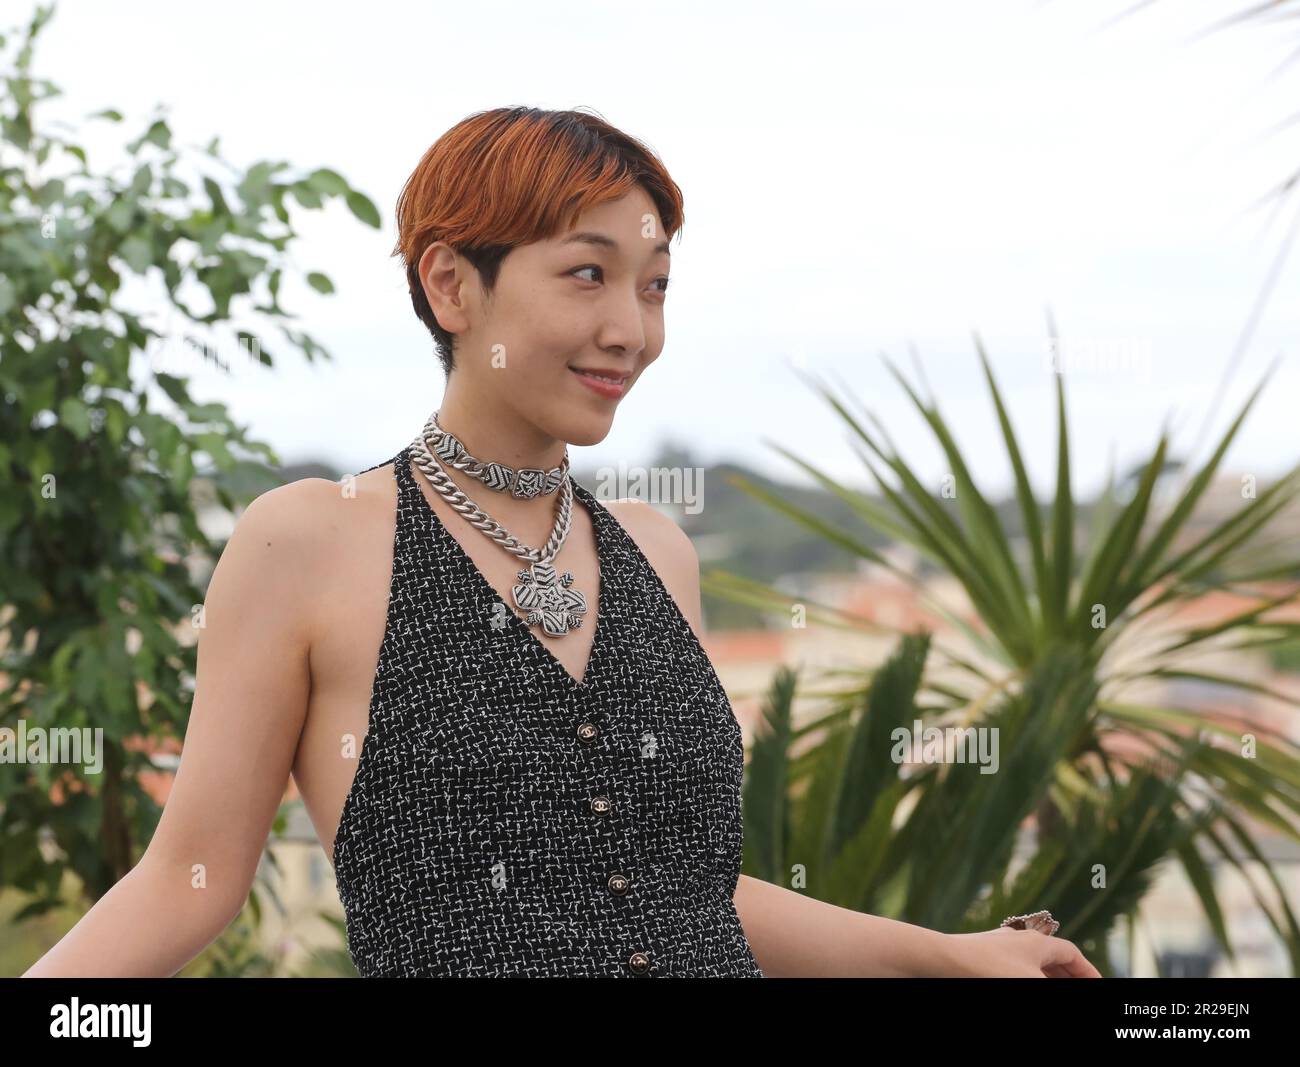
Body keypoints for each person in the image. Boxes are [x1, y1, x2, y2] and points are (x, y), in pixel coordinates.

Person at [22, 106, 1100, 978]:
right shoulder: (309, 540)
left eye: (654, 284)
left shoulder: (655, 549)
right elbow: (189, 879)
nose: (632, 327)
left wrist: (951, 956)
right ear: (451, 285)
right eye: (587, 274)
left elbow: (689, 892)